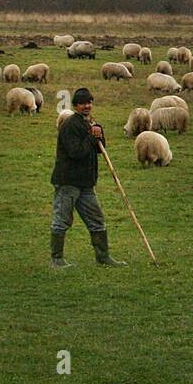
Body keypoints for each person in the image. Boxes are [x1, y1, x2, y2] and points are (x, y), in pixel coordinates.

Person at [50, 87, 126, 268]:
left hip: (86, 183)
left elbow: (99, 149)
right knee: (62, 219)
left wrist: (100, 135)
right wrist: (92, 138)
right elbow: (75, 152)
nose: (87, 106)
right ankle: (57, 259)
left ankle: (103, 257)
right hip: (68, 181)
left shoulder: (90, 123)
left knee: (96, 219)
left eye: (90, 102)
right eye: (83, 103)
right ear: (76, 105)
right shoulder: (70, 125)